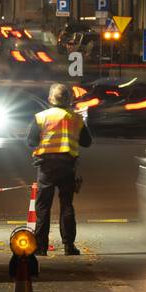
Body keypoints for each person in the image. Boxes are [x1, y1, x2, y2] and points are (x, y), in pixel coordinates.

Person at [26, 83, 92, 256]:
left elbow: (31, 141)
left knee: (42, 207)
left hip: (46, 168)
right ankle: (69, 246)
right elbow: (87, 142)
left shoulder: (41, 117)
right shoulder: (76, 118)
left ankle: (40, 247)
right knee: (67, 206)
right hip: (67, 167)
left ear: (50, 99)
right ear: (69, 100)